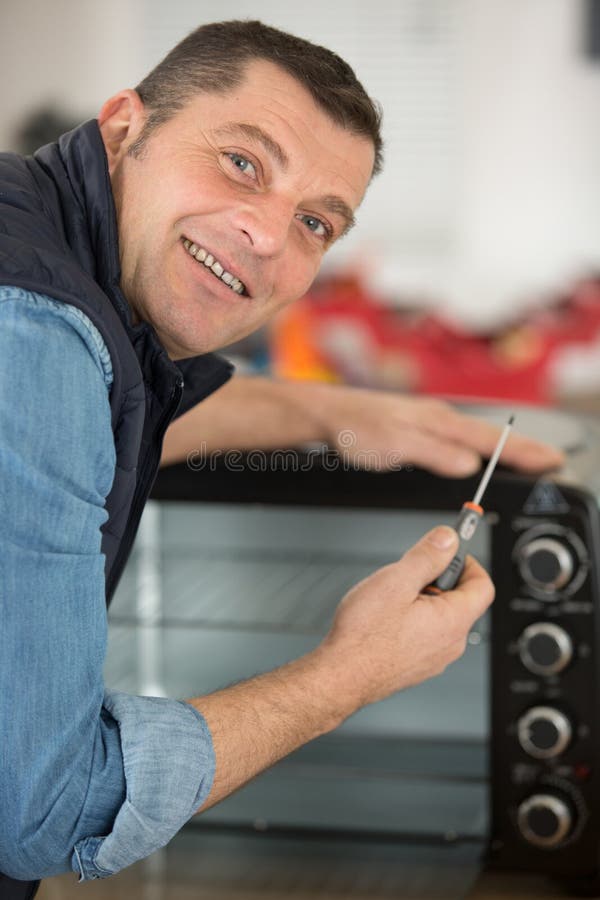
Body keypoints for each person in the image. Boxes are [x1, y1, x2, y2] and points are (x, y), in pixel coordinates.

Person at [0, 19, 562, 897]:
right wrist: (350, 675)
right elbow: (47, 812)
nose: (267, 235)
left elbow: (114, 412)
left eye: (315, 221)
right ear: (124, 128)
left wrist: (339, 413)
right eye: (242, 163)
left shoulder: (45, 242)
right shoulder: (36, 329)